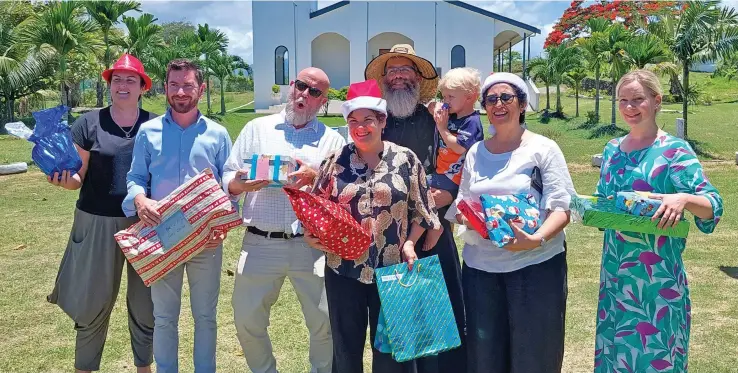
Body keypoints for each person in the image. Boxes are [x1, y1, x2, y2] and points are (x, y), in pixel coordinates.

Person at [303, 79, 442, 373]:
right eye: (353, 121)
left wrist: (409, 242)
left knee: (395, 355)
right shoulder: (334, 161)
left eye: (368, 120)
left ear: (382, 120)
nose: (360, 127)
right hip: (343, 270)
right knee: (345, 349)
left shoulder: (405, 159)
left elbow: (423, 209)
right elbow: (316, 208)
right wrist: (312, 234)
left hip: (393, 270)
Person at [592, 69, 723, 373]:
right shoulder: (612, 149)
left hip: (658, 281)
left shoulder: (674, 151)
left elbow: (713, 205)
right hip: (615, 277)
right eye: (623, 100)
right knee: (616, 359)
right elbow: (603, 204)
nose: (629, 107)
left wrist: (683, 199)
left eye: (638, 99)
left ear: (656, 100)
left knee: (656, 360)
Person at [450, 72, 575, 373]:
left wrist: (536, 239)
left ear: (522, 104)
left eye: (507, 97)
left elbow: (562, 206)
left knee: (535, 354)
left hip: (536, 266)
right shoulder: (476, 152)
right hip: (481, 270)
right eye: (491, 99)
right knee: (485, 355)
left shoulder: (542, 148)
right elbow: (463, 200)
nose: (498, 104)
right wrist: (466, 215)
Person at [224, 67, 345, 373]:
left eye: (315, 91)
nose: (305, 94)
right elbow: (229, 177)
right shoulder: (256, 128)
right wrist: (241, 183)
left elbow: (343, 191)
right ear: (292, 86)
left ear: (323, 101)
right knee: (246, 320)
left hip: (311, 245)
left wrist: (316, 176)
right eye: (301, 86)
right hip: (260, 241)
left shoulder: (332, 141)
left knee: (325, 323)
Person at [46, 53, 156, 373]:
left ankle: (144, 367)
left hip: (143, 223)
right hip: (95, 222)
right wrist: (64, 181)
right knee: (91, 303)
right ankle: (85, 367)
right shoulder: (88, 123)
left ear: (141, 87)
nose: (123, 85)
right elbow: (78, 176)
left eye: (130, 79)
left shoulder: (154, 126)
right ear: (109, 85)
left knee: (145, 304)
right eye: (116, 79)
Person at [122, 59, 233, 373]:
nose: (180, 92)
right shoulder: (148, 132)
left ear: (201, 88)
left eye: (187, 85)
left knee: (206, 317)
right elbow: (135, 178)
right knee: (164, 318)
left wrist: (223, 225)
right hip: (162, 237)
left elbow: (230, 185)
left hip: (207, 239)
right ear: (165, 87)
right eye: (174, 85)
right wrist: (140, 200)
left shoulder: (218, 134)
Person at [364, 43, 466, 372]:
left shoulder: (437, 119)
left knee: (439, 315)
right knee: (392, 321)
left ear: (417, 76)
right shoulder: (374, 120)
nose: (397, 76)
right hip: (387, 235)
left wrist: (435, 220)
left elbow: (456, 166)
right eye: (391, 70)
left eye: (404, 69)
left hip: (432, 232)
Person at [427, 67, 484, 195]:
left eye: (450, 97)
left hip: (456, 177)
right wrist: (435, 106)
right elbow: (431, 106)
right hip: (442, 173)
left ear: (470, 97)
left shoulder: (471, 122)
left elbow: (459, 148)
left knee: (417, 186)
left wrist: (442, 128)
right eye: (444, 97)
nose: (446, 101)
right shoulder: (451, 114)